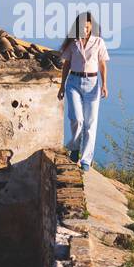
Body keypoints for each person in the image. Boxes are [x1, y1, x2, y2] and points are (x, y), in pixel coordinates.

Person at [57, 11, 109, 171]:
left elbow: (102, 65)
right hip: (73, 82)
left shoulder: (99, 42)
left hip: (92, 83)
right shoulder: (73, 43)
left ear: (91, 26)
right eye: (82, 27)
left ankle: (86, 160)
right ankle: (74, 147)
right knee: (76, 119)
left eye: (87, 27)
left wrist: (104, 84)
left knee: (90, 124)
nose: (84, 30)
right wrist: (61, 86)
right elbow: (66, 64)